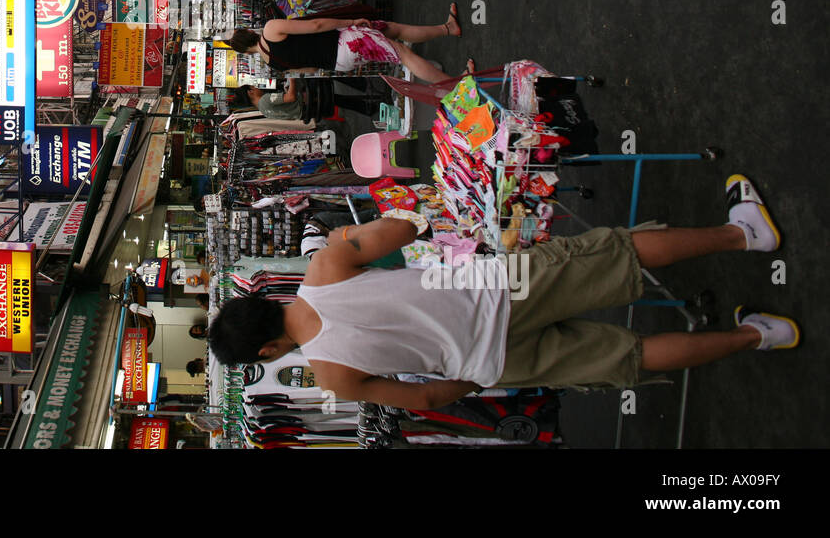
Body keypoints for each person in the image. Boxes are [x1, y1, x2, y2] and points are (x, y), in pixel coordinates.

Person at [207, 175, 799, 407]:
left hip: (491, 359)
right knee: (617, 253)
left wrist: (475, 372)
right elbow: (404, 226)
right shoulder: (326, 269)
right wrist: (353, 233)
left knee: (629, 357)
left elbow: (428, 400)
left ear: (264, 352)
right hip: (495, 290)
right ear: (259, 302)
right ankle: (741, 234)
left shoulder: (333, 375)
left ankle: (757, 336)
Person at [225, 7, 462, 82]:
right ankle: (455, 86)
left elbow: (310, 70)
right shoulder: (270, 29)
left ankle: (447, 29)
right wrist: (349, 21)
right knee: (402, 53)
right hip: (345, 41)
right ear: (248, 32)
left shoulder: (272, 64)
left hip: (339, 62)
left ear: (245, 52)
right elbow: (316, 25)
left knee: (391, 29)